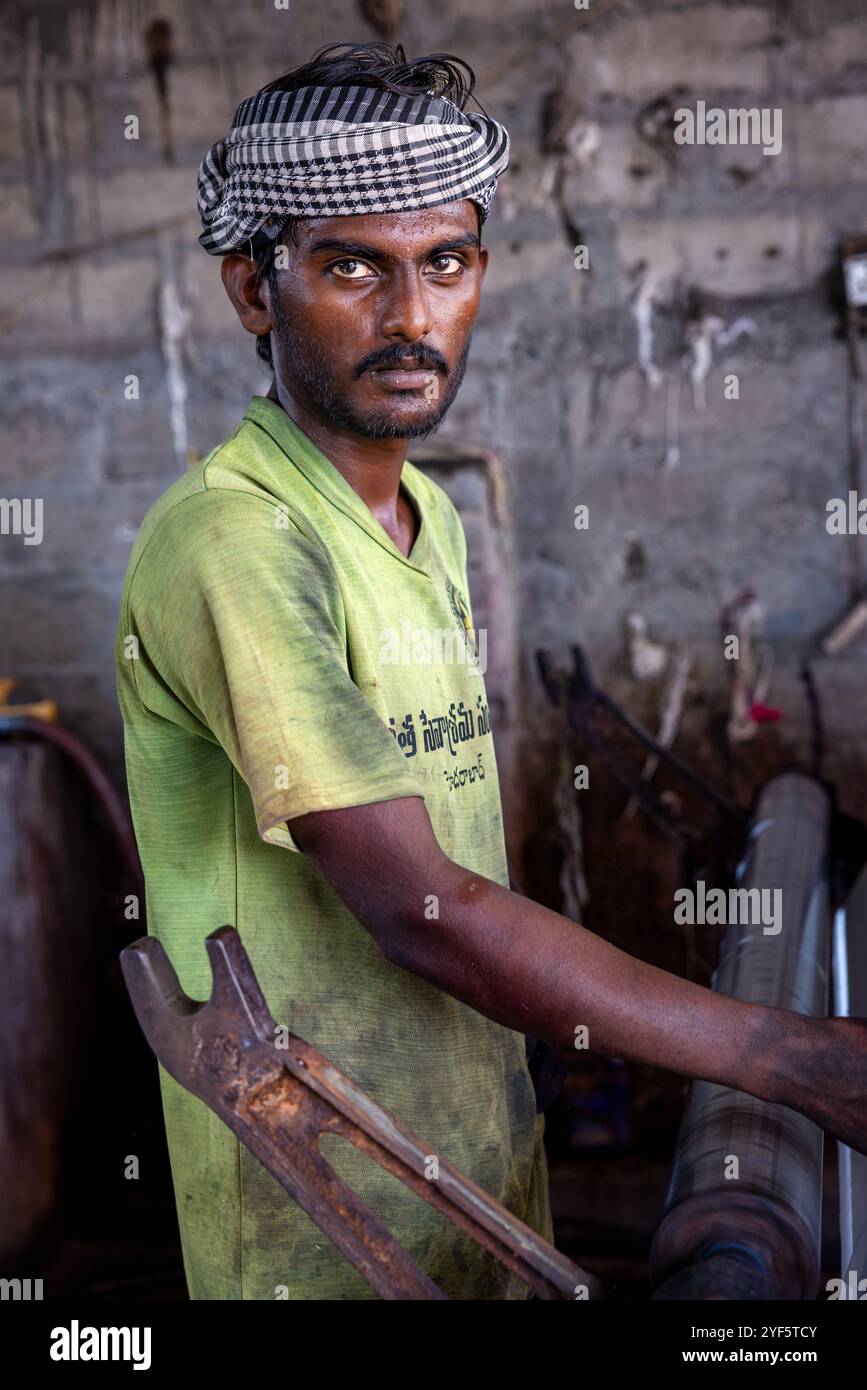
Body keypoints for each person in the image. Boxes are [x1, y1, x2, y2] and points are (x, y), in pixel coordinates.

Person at [116, 40, 867, 1301]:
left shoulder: (428, 517)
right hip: (328, 1229)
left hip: (473, 1178)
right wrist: (793, 1058)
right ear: (254, 289)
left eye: (446, 264)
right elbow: (424, 910)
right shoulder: (236, 542)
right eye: (353, 266)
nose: (413, 319)